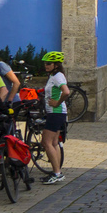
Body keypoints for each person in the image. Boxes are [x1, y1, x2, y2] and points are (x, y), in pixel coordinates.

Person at [39, 52, 69, 185]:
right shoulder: (54, 76)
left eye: (49, 63)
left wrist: (57, 102)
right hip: (56, 113)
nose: (46, 65)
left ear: (56, 65)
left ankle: (56, 173)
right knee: (54, 143)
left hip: (55, 112)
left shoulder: (57, 76)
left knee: (46, 142)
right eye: (45, 63)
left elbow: (66, 91)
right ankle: (57, 172)